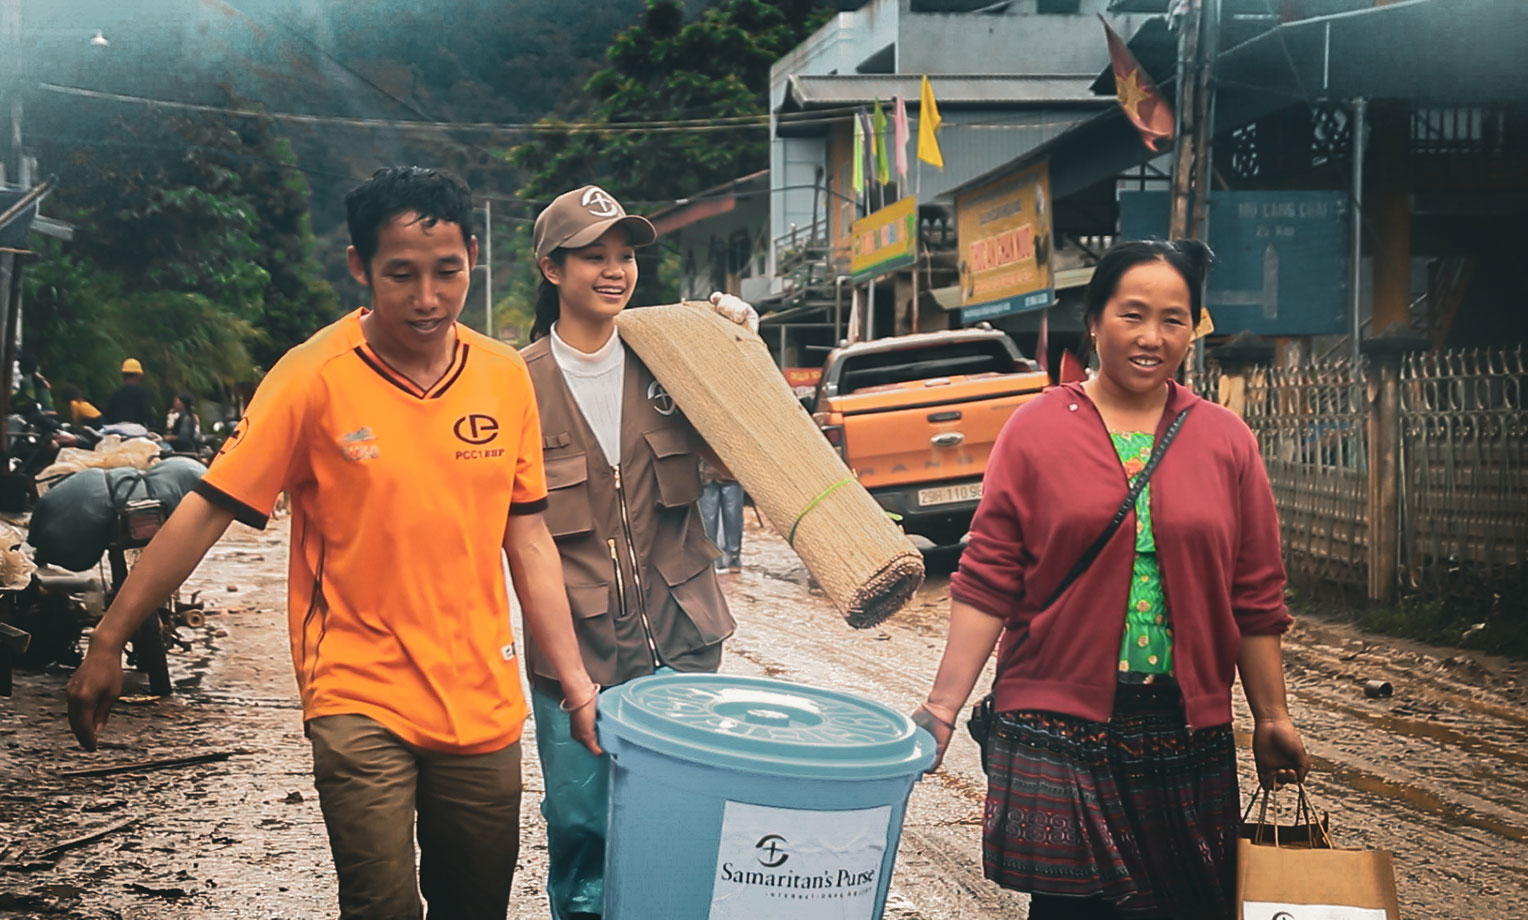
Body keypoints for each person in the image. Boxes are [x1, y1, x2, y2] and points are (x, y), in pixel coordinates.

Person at [66, 166, 601, 920]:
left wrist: (576, 683)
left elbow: (531, 542)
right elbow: (205, 511)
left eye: (447, 273)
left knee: (475, 905)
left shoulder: (503, 376)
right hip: (357, 690)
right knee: (380, 907)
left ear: (473, 258)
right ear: (360, 267)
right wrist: (109, 639)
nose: (427, 299)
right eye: (401, 275)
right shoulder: (312, 377)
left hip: (481, 700)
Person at [911, 240, 1310, 920]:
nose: (1152, 337)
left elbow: (1255, 596)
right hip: (1056, 723)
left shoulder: (1225, 440)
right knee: (1075, 911)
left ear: (1193, 328)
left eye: (1173, 319)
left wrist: (1272, 715)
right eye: (1132, 315)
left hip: (1184, 729)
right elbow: (989, 578)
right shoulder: (1035, 428)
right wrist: (943, 707)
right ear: (1094, 321)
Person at [521, 185, 756, 920]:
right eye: (595, 255)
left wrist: (742, 346)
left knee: (689, 822)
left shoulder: (673, 358)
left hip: (684, 637)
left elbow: (754, 443)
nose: (616, 269)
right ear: (552, 269)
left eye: (625, 255)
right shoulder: (513, 384)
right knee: (584, 831)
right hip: (576, 650)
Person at [698, 457, 744, 573]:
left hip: (727, 472)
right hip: (715, 473)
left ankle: (729, 558)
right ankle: (716, 558)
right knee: (710, 519)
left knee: (730, 518)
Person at [103, 357, 158, 429]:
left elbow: (107, 416)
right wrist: (152, 428)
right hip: (136, 432)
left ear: (123, 375)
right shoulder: (141, 393)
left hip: (117, 432)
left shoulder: (114, 394)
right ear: (138, 375)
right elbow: (148, 415)